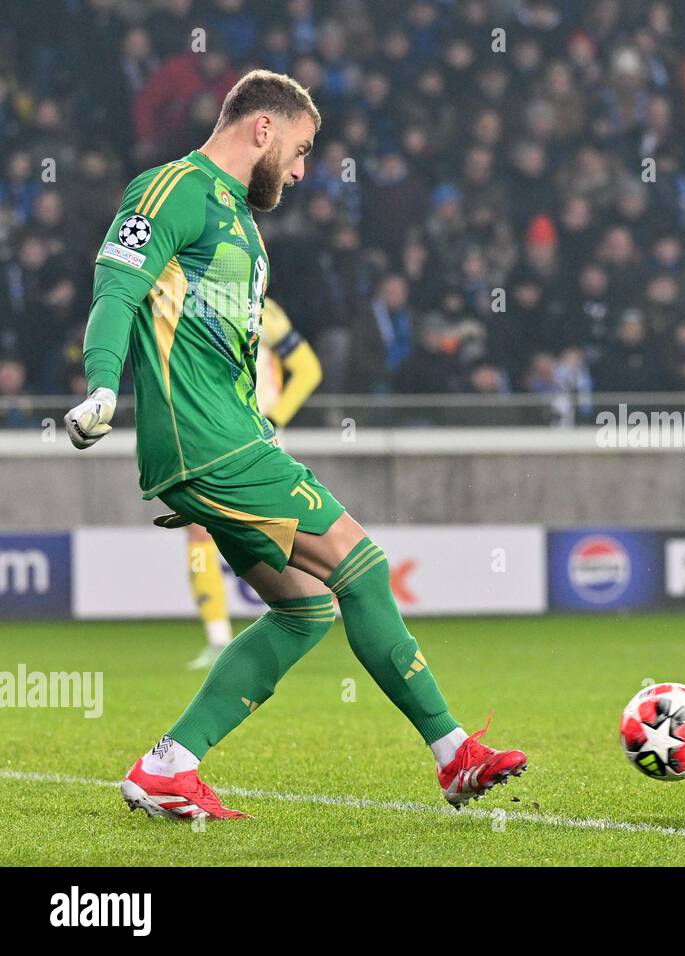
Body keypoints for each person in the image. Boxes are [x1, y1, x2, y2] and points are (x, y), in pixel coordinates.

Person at [65, 70, 526, 818]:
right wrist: (102, 387)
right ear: (263, 129)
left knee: (305, 608)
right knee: (366, 571)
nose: (306, 170)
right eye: (303, 149)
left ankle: (166, 766)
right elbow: (116, 285)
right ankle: (454, 756)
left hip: (229, 438)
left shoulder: (240, 221)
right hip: (211, 445)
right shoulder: (173, 188)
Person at [186, 295, 322, 670]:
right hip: (217, 435)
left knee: (281, 532)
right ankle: (217, 637)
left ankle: (310, 610)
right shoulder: (193, 302)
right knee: (200, 533)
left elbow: (308, 369)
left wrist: (274, 418)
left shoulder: (262, 307)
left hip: (257, 440)